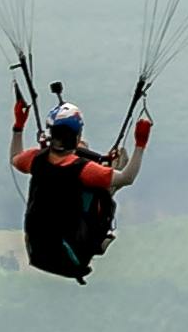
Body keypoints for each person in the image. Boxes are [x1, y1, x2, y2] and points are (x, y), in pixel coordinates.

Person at [12, 86, 147, 282]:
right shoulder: (84, 170)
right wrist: (140, 143)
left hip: (38, 252)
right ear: (75, 135)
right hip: (72, 255)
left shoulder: (35, 159)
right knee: (103, 186)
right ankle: (98, 238)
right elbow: (128, 177)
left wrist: (18, 125)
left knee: (84, 178)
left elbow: (15, 157)